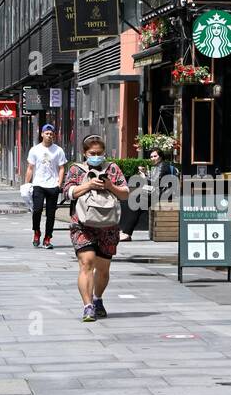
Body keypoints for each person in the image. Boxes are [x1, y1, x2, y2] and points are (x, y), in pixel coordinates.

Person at [63, 134, 130, 323]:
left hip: (108, 225)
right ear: (85, 153)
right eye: (92, 153)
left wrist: (110, 186)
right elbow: (68, 192)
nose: (96, 156)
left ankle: (98, 299)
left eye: (100, 153)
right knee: (87, 262)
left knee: (103, 269)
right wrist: (88, 185)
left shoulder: (112, 168)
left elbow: (125, 194)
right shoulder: (76, 170)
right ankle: (88, 306)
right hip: (82, 224)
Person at [121, 148, 177, 241]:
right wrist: (145, 174)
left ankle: (127, 233)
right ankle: (126, 232)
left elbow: (156, 182)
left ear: (161, 156)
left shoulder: (164, 166)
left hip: (164, 195)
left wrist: (144, 177)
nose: (153, 158)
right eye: (151, 156)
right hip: (158, 193)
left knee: (136, 203)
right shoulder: (157, 166)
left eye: (155, 156)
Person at [25, 123, 67, 249]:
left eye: (51, 134)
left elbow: (61, 168)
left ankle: (48, 237)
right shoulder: (35, 150)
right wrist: (27, 184)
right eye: (47, 133)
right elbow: (30, 168)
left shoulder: (58, 150)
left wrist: (59, 184)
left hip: (53, 185)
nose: (49, 135)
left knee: (51, 214)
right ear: (42, 134)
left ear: (54, 135)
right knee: (37, 210)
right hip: (38, 184)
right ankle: (36, 231)